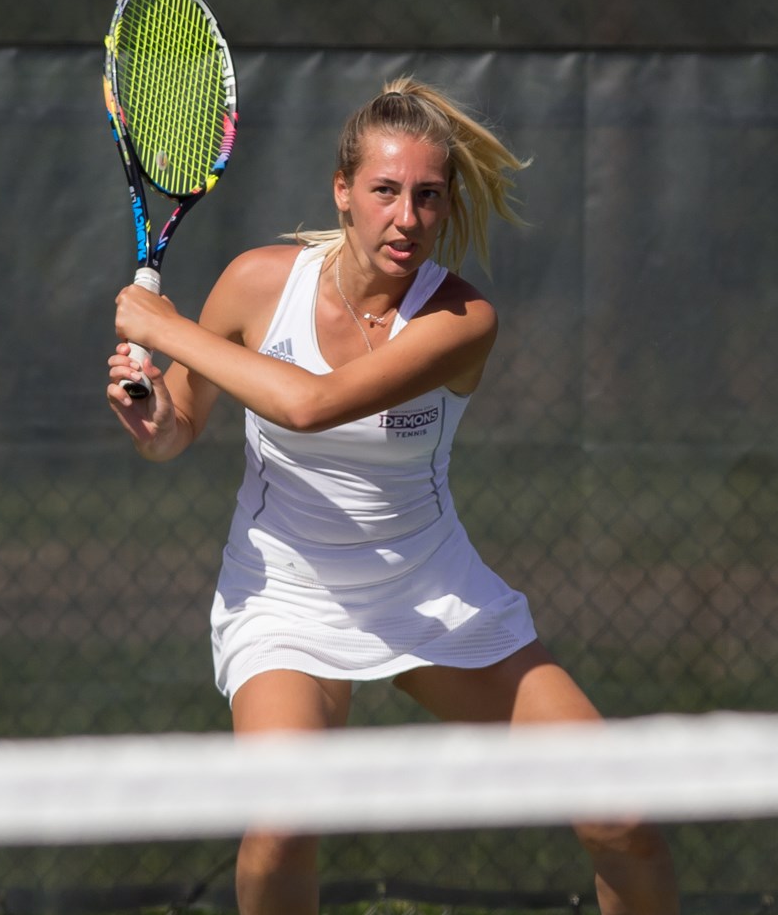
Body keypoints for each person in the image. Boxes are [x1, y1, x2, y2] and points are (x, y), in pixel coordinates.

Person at [106, 77, 679, 915]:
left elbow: (309, 405)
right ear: (343, 192)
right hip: (285, 597)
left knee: (622, 821)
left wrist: (162, 328)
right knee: (280, 831)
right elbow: (175, 429)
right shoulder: (257, 284)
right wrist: (150, 409)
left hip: (429, 590)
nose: (405, 218)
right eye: (384, 192)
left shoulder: (461, 318)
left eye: (426, 197)